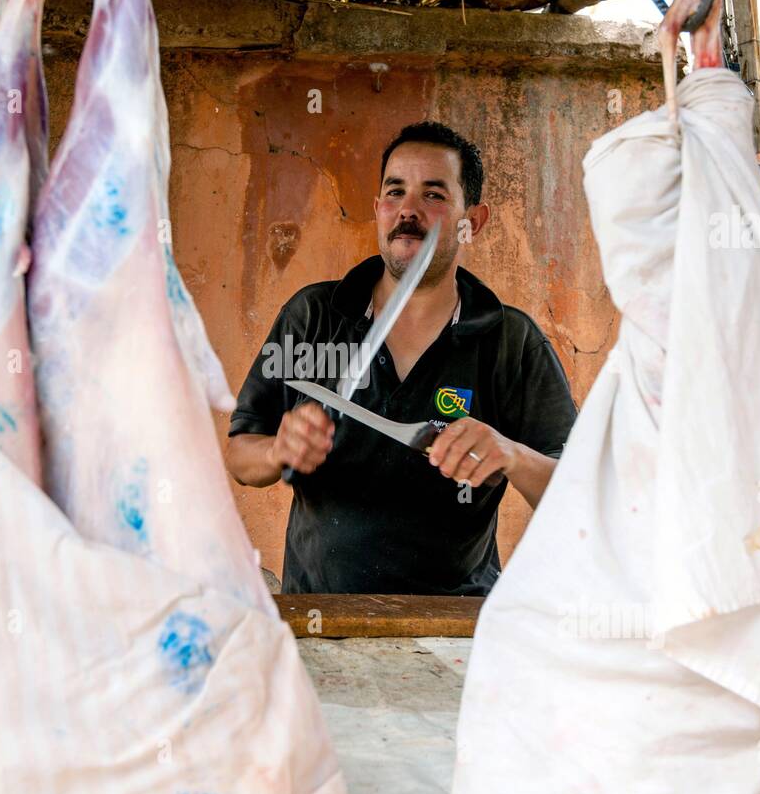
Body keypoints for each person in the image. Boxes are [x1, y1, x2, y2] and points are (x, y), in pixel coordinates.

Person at [225, 122, 577, 595]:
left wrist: (511, 454)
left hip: (456, 624)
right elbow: (241, 455)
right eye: (395, 192)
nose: (407, 211)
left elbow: (578, 494)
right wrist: (277, 450)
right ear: (377, 210)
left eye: (433, 195)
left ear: (473, 221)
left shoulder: (511, 341)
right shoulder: (312, 316)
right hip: (322, 616)